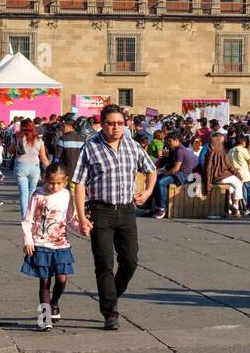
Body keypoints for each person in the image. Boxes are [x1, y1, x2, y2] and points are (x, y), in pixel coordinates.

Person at [72, 104, 156, 331]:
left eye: (120, 123)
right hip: (101, 211)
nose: (116, 127)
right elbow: (78, 183)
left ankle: (110, 294)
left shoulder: (133, 146)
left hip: (127, 210)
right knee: (104, 263)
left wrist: (147, 191)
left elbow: (151, 169)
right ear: (102, 124)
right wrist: (81, 217)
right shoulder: (91, 148)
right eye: (111, 123)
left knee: (130, 261)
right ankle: (110, 312)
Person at [21, 162, 78, 330]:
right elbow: (27, 220)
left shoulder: (67, 195)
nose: (54, 186)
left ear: (65, 181)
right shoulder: (38, 195)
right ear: (45, 180)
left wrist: (82, 228)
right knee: (44, 282)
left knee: (62, 278)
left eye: (59, 183)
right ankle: (45, 318)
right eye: (52, 182)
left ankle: (54, 302)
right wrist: (28, 240)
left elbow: (70, 220)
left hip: (61, 244)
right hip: (40, 243)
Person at [150, 132, 198, 219]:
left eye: (170, 141)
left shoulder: (180, 150)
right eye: (167, 141)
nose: (168, 143)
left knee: (161, 182)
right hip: (178, 173)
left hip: (183, 175)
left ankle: (162, 208)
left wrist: (165, 175)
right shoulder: (175, 149)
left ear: (176, 141)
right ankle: (156, 206)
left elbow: (176, 168)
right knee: (155, 180)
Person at [12, 120, 50, 218]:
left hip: (20, 167)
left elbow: (10, 150)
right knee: (32, 192)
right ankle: (31, 216)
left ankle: (25, 217)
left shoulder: (18, 138)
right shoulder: (38, 140)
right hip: (34, 168)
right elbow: (43, 157)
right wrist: (50, 169)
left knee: (23, 193)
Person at [227, 134, 250, 215]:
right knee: (249, 192)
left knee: (240, 193)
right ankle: (249, 208)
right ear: (243, 142)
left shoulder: (231, 150)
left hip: (236, 175)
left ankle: (241, 208)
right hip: (245, 174)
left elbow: (228, 162)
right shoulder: (243, 150)